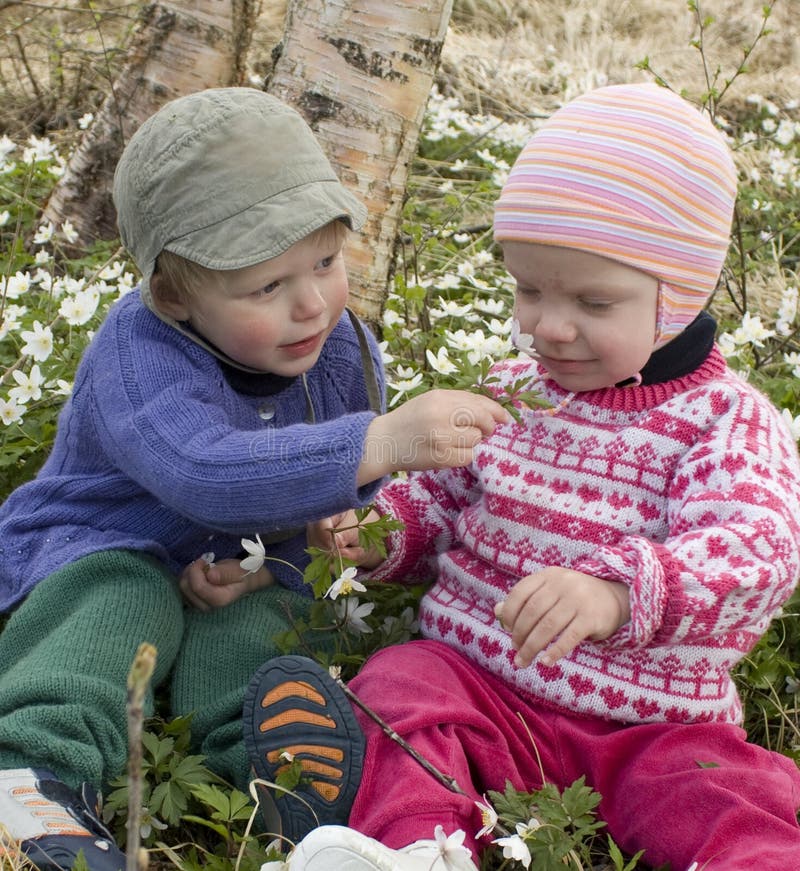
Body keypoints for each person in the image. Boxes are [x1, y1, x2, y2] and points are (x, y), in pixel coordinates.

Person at [245, 83, 800, 871]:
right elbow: (445, 496)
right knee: (399, 686)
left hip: (654, 727)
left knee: (721, 801)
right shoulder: (515, 387)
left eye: (592, 301)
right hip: (481, 689)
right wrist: (382, 529)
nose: (549, 324)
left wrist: (616, 593)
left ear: (679, 296)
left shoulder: (726, 421)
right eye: (528, 289)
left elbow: (756, 553)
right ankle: (415, 850)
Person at [0, 87, 509, 871]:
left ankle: (283, 788)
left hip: (241, 569)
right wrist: (380, 440)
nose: (312, 304)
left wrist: (310, 545)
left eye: (327, 263)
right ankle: (31, 774)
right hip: (99, 545)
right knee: (123, 597)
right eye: (267, 287)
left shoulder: (338, 348)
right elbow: (203, 471)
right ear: (175, 296)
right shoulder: (138, 352)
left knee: (269, 625)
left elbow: (333, 497)